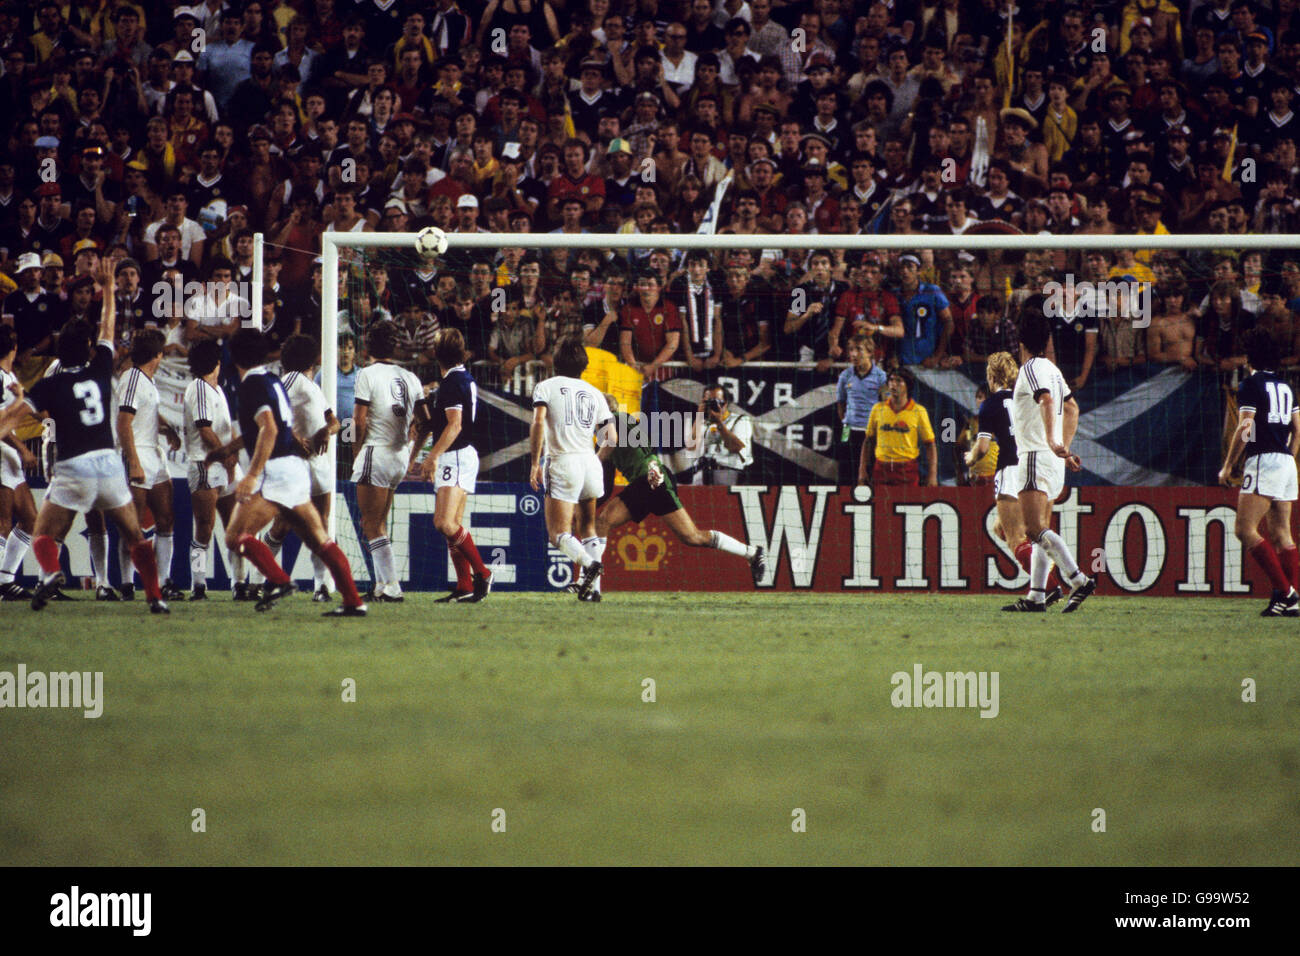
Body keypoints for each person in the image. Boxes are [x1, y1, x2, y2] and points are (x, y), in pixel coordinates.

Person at [0, 264, 169, 614]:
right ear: (90, 348)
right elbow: (108, 327)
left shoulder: (50, 383)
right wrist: (107, 290)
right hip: (107, 463)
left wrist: (17, 400)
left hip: (72, 465)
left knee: (43, 533)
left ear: (61, 350)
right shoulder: (101, 367)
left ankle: (50, 573)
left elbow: (15, 417)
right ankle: (155, 596)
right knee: (136, 535)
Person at [208, 328, 366, 616]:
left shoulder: (252, 386)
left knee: (234, 536)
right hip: (295, 470)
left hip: (276, 470)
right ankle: (354, 602)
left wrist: (253, 474)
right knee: (320, 538)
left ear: (234, 356)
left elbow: (269, 428)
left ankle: (279, 580)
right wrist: (227, 450)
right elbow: (269, 427)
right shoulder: (272, 381)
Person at [593, 393, 766, 600]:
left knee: (691, 536)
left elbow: (609, 447)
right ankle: (592, 586)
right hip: (647, 480)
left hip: (652, 477)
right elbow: (605, 480)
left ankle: (752, 552)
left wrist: (593, 461)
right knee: (604, 521)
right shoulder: (609, 433)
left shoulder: (615, 420)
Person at [1003, 313, 1096, 613]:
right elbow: (1072, 408)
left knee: (1033, 530)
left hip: (1034, 456)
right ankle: (1037, 595)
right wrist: (1064, 449)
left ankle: (1077, 578)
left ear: (1020, 343)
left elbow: (1046, 401)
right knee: (1041, 528)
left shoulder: (1030, 368)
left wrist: (1054, 442)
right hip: (1052, 463)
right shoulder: (1053, 369)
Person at [965, 352, 1065, 606]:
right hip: (1037, 466)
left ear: (991, 376)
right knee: (1009, 529)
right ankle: (1047, 588)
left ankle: (1056, 586)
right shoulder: (1025, 399)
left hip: (1010, 469)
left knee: (1016, 537)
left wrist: (970, 458)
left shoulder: (989, 405)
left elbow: (984, 448)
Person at [1218, 328, 1300, 616]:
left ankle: (1287, 593)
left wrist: (1228, 465)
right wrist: (1287, 458)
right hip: (1287, 462)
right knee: (1282, 535)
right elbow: (1298, 429)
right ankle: (1288, 601)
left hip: (1263, 459)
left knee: (1244, 529)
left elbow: (1245, 426)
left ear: (1248, 355)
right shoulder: (1286, 385)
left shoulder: (1251, 384)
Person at [529, 336, 614, 600]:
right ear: (583, 365)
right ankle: (595, 590)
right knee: (588, 527)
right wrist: (594, 460)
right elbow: (611, 437)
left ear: (556, 361)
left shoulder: (546, 387)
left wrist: (535, 462)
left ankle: (590, 566)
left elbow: (539, 422)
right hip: (590, 462)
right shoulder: (595, 393)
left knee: (558, 534)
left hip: (563, 461)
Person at [259, 335, 340, 603]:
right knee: (282, 524)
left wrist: (327, 431)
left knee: (322, 523)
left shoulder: (313, 386)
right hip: (296, 464)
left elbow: (334, 420)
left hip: (318, 464)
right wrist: (296, 439)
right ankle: (265, 581)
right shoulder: (290, 380)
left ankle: (321, 587)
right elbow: (273, 414)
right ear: (312, 358)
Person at [415, 328, 492, 603]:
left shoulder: (452, 384)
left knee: (444, 523)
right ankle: (464, 585)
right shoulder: (460, 379)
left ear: (437, 354)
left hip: (455, 454)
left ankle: (482, 573)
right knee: (453, 524)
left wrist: (432, 456)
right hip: (463, 454)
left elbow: (455, 424)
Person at [350, 323, 423, 602]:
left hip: (376, 451)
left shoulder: (366, 374)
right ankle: (382, 586)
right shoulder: (410, 377)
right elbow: (426, 419)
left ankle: (392, 587)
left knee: (370, 523)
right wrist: (412, 450)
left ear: (368, 346)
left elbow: (358, 419)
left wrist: (358, 451)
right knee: (377, 521)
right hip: (399, 457)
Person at [115, 328, 183, 601]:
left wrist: (168, 429)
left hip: (155, 454)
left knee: (166, 519)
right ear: (157, 355)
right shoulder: (132, 378)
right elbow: (123, 423)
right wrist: (133, 461)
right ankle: (127, 583)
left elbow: (147, 414)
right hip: (139, 455)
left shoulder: (147, 380)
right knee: (133, 526)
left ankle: (164, 581)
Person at [183, 339, 247, 601]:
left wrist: (232, 454)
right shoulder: (197, 387)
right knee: (204, 527)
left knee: (236, 527)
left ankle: (239, 584)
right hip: (205, 463)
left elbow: (226, 427)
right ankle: (198, 584)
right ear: (215, 362)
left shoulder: (217, 390)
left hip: (224, 463)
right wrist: (226, 453)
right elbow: (205, 429)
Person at [0, 326, 39, 600]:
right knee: (2, 522)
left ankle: (6, 580)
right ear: (13, 347)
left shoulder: (9, 376)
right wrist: (23, 448)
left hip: (8, 455)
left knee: (31, 519)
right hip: (2, 451)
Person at [861, 368, 937, 487]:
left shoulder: (919, 411)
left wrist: (932, 475)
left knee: (907, 504)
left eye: (899, 381)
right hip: (881, 468)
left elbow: (929, 444)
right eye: (891, 380)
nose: (893, 384)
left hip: (907, 469)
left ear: (908, 386)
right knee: (880, 504)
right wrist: (862, 471)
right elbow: (868, 441)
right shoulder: (877, 409)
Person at [836, 333, 887, 487]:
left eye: (858, 349)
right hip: (848, 430)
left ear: (870, 352)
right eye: (851, 350)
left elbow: (886, 405)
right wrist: (846, 423)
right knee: (845, 471)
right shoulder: (845, 376)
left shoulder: (881, 376)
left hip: (870, 432)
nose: (853, 354)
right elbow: (841, 403)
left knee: (869, 473)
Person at [685, 383, 754, 486]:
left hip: (728, 473)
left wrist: (719, 423)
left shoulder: (740, 420)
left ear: (725, 403)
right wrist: (699, 416)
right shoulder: (701, 422)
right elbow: (691, 448)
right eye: (708, 402)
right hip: (701, 475)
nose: (713, 406)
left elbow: (736, 447)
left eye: (716, 402)